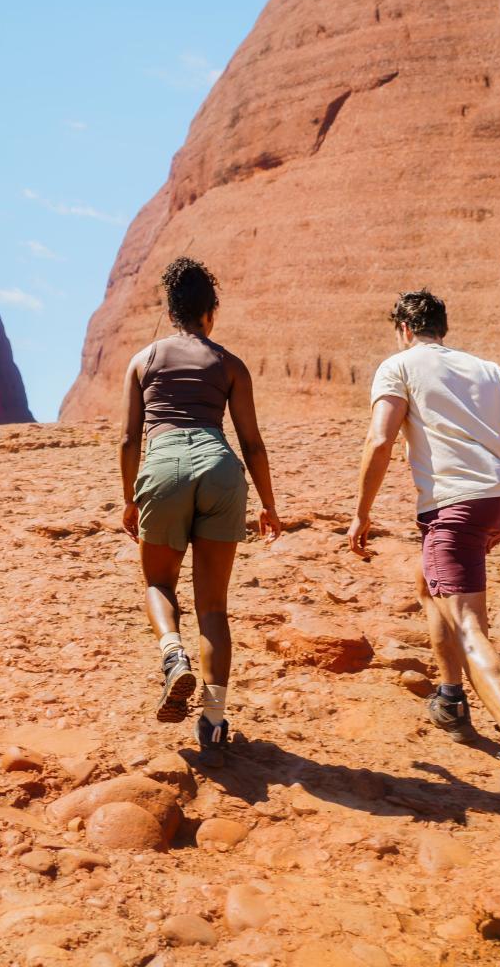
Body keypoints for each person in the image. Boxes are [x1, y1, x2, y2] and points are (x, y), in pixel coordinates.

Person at [345, 289, 500, 828]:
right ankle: (450, 698)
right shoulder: (489, 370)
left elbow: (380, 439)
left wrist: (361, 513)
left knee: (469, 623)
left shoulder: (398, 366)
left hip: (455, 508)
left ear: (403, 329)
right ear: (442, 327)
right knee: (432, 587)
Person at [120, 257, 282, 766]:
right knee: (213, 607)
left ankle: (172, 652)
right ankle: (213, 722)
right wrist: (270, 506)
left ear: (171, 312)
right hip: (220, 466)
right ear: (210, 313)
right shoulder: (230, 365)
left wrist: (129, 496)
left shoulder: (143, 360)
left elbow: (128, 438)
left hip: (163, 464)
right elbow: (252, 442)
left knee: (157, 584)